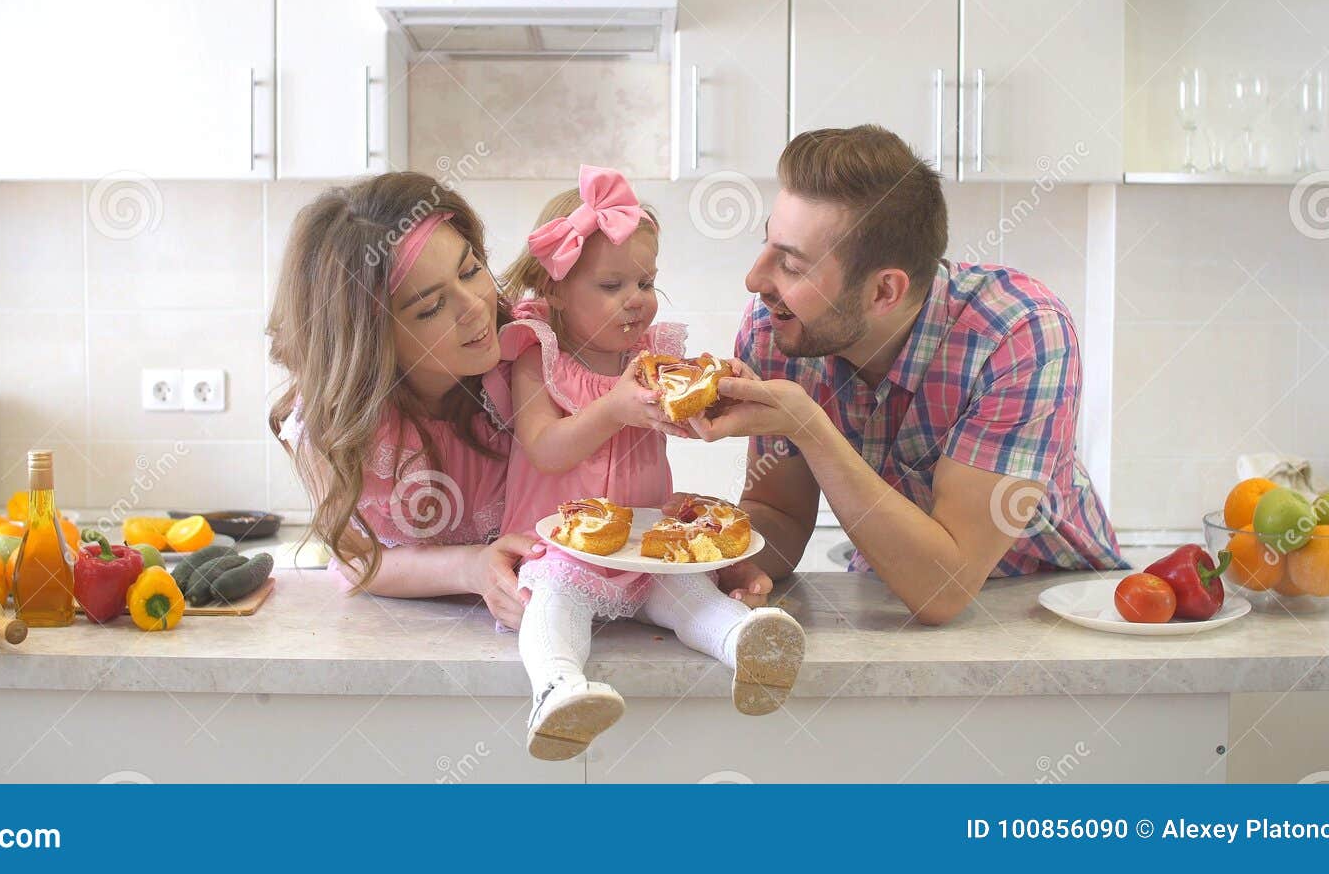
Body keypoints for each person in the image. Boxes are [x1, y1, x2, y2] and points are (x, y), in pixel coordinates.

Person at [693, 126, 1124, 625]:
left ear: (883, 292)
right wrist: (704, 553)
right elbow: (782, 519)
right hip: (892, 589)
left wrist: (807, 427)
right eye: (767, 244)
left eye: (790, 264)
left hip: (1057, 609)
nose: (755, 280)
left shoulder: (1020, 334)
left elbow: (942, 592)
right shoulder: (780, 329)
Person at [497, 164, 804, 762]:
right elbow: (544, 446)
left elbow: (688, 420)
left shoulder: (651, 357)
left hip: (641, 546)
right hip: (561, 547)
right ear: (555, 288)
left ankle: (745, 643)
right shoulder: (539, 354)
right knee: (554, 603)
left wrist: (719, 388)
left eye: (646, 283)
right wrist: (613, 409)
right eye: (612, 287)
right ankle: (558, 688)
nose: (637, 302)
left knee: (688, 592)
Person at [267, 172, 541, 628]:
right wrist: (471, 567)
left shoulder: (530, 362)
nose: (475, 306)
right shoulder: (333, 426)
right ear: (373, 340)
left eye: (471, 270)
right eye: (430, 307)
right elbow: (358, 560)